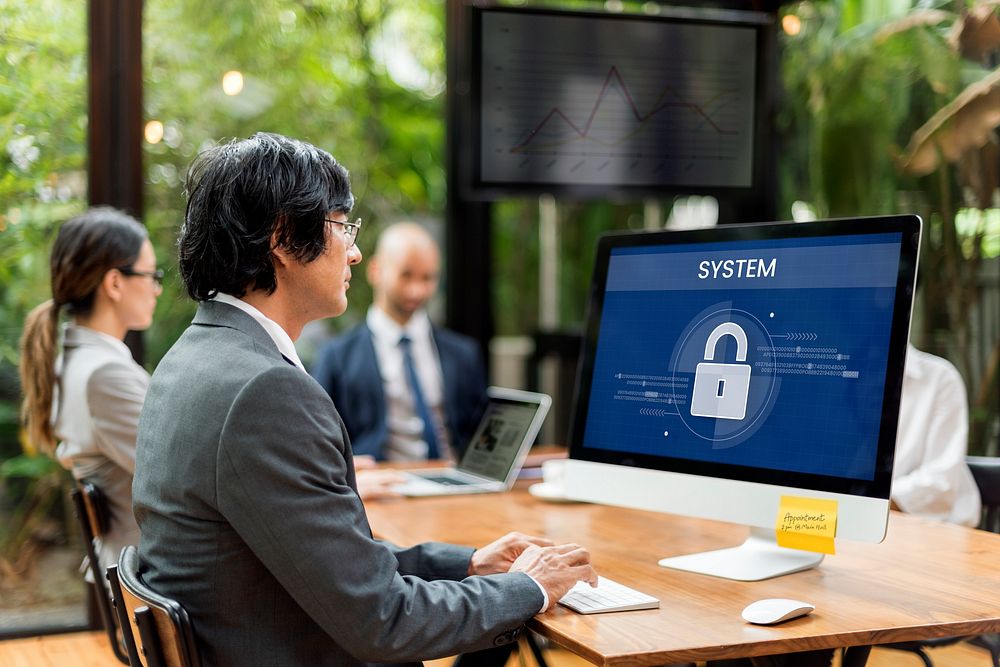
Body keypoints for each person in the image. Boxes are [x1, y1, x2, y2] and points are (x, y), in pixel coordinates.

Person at [131, 132, 596, 666]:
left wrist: (467, 564)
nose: (353, 250)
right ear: (283, 237)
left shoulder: (189, 360)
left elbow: (331, 560)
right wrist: (530, 589)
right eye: (342, 226)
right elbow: (382, 620)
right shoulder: (265, 391)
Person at [19, 207, 161, 572]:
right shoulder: (105, 374)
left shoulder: (73, 362)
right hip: (154, 580)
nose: (157, 288)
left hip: (132, 573)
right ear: (114, 283)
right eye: (151, 275)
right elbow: (180, 479)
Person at [310, 222, 486, 462]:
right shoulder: (338, 357)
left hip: (453, 480)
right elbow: (319, 439)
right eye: (406, 275)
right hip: (380, 485)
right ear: (375, 271)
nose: (417, 290)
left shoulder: (464, 354)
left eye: (428, 278)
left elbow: (481, 435)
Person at [891, 343, 981, 525]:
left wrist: (865, 499)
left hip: (931, 527)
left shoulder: (940, 378)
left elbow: (939, 482)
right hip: (859, 519)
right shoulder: (840, 374)